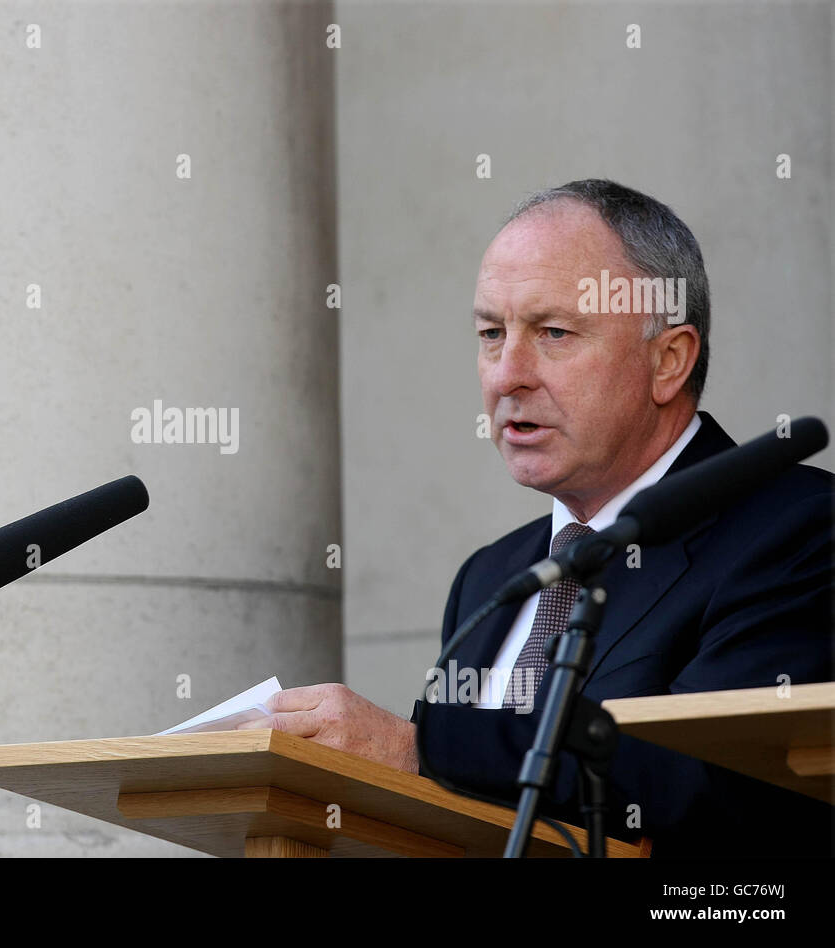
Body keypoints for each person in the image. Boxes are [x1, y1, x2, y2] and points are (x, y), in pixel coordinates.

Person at [236, 180, 833, 856]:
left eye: (553, 333)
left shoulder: (798, 530)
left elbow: (716, 784)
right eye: (492, 333)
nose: (507, 374)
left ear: (668, 361)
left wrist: (417, 748)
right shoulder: (493, 574)